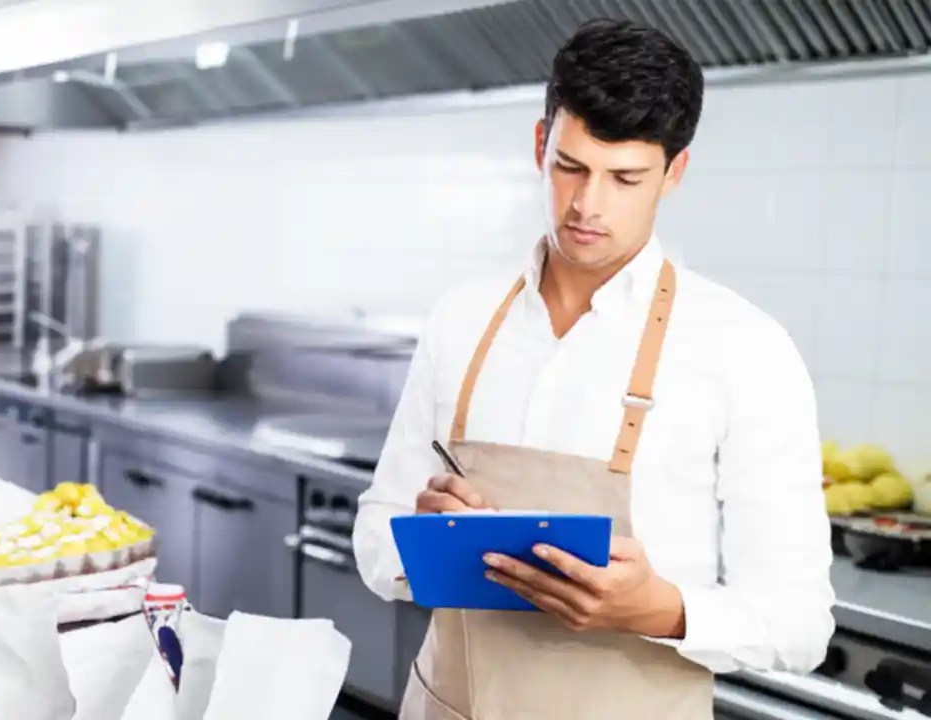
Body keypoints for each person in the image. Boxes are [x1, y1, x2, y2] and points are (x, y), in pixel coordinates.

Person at [352, 18, 835, 720]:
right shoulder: (460, 319)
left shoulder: (746, 350)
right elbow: (376, 532)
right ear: (540, 144)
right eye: (571, 166)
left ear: (675, 173)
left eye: (625, 178)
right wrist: (421, 543)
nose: (587, 205)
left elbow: (800, 624)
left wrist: (663, 608)